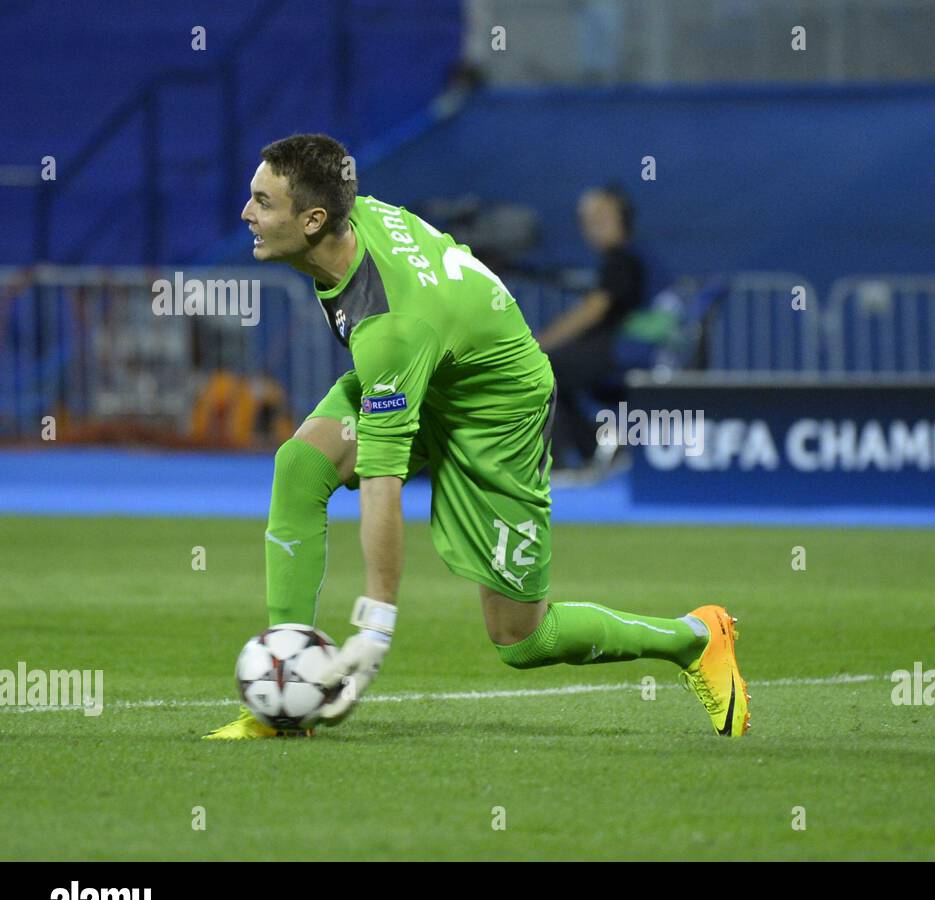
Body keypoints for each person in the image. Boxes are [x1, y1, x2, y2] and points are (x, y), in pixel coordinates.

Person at [203, 134, 749, 740]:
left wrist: (375, 626)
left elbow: (381, 482)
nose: (247, 214)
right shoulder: (350, 227)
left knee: (522, 637)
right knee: (300, 467)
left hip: (496, 412)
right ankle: (286, 690)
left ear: (313, 219)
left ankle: (695, 638)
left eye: (261, 201)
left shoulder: (392, 325)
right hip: (431, 374)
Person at [536, 185, 643, 475]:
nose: (592, 228)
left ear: (622, 218)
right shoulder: (621, 258)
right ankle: (594, 447)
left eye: (601, 219)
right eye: (588, 221)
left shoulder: (624, 259)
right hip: (613, 349)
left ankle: (556, 463)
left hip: (621, 353)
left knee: (544, 369)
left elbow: (592, 311)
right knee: (553, 372)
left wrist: (540, 343)